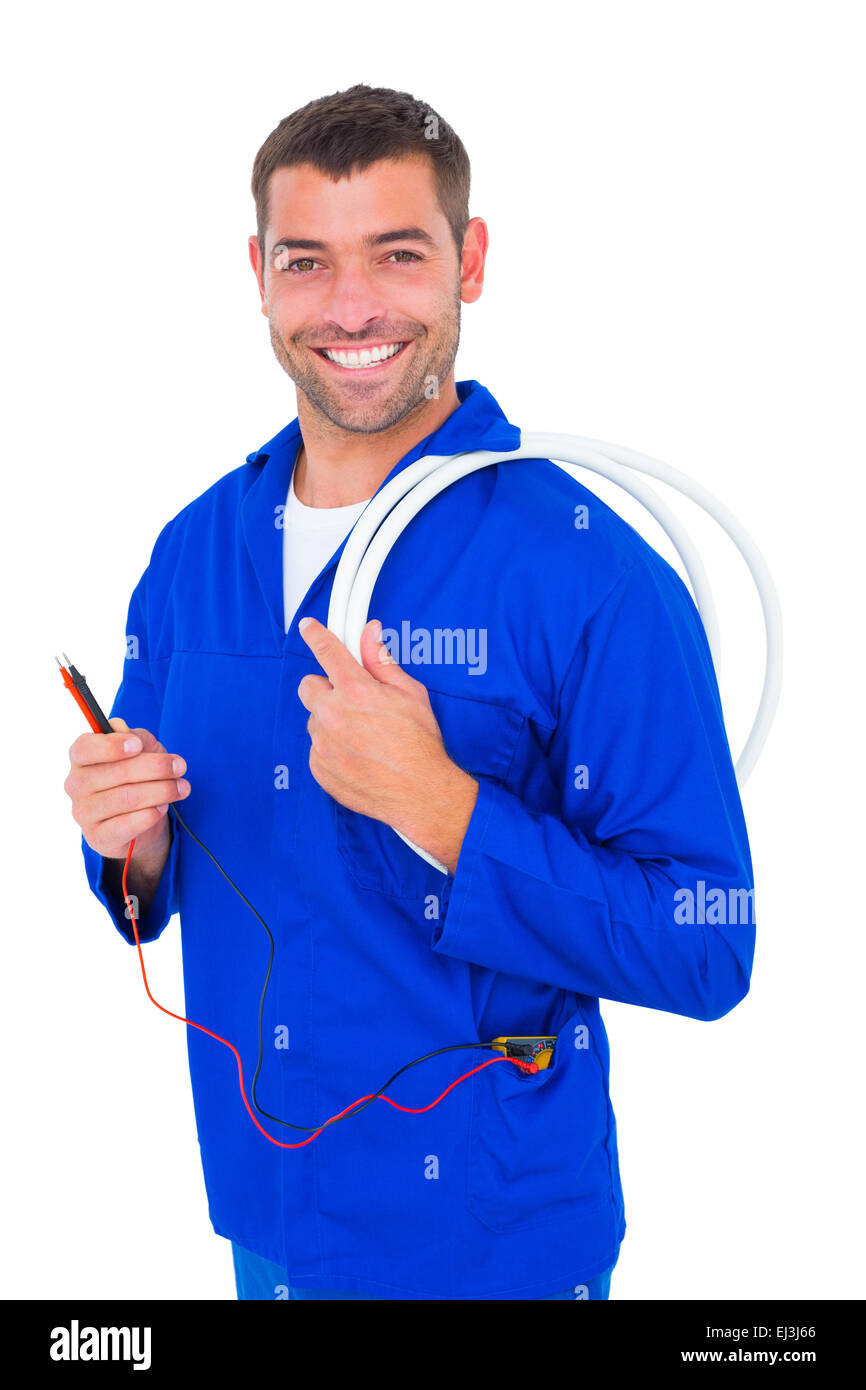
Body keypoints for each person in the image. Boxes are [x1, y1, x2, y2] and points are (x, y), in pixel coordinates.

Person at [63, 84, 755, 1301]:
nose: (350, 308)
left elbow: (705, 941)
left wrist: (444, 809)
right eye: (306, 261)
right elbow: (154, 887)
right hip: (265, 1220)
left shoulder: (584, 568)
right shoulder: (193, 555)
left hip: (488, 1248)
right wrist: (132, 836)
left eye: (396, 253)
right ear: (257, 276)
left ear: (468, 260)